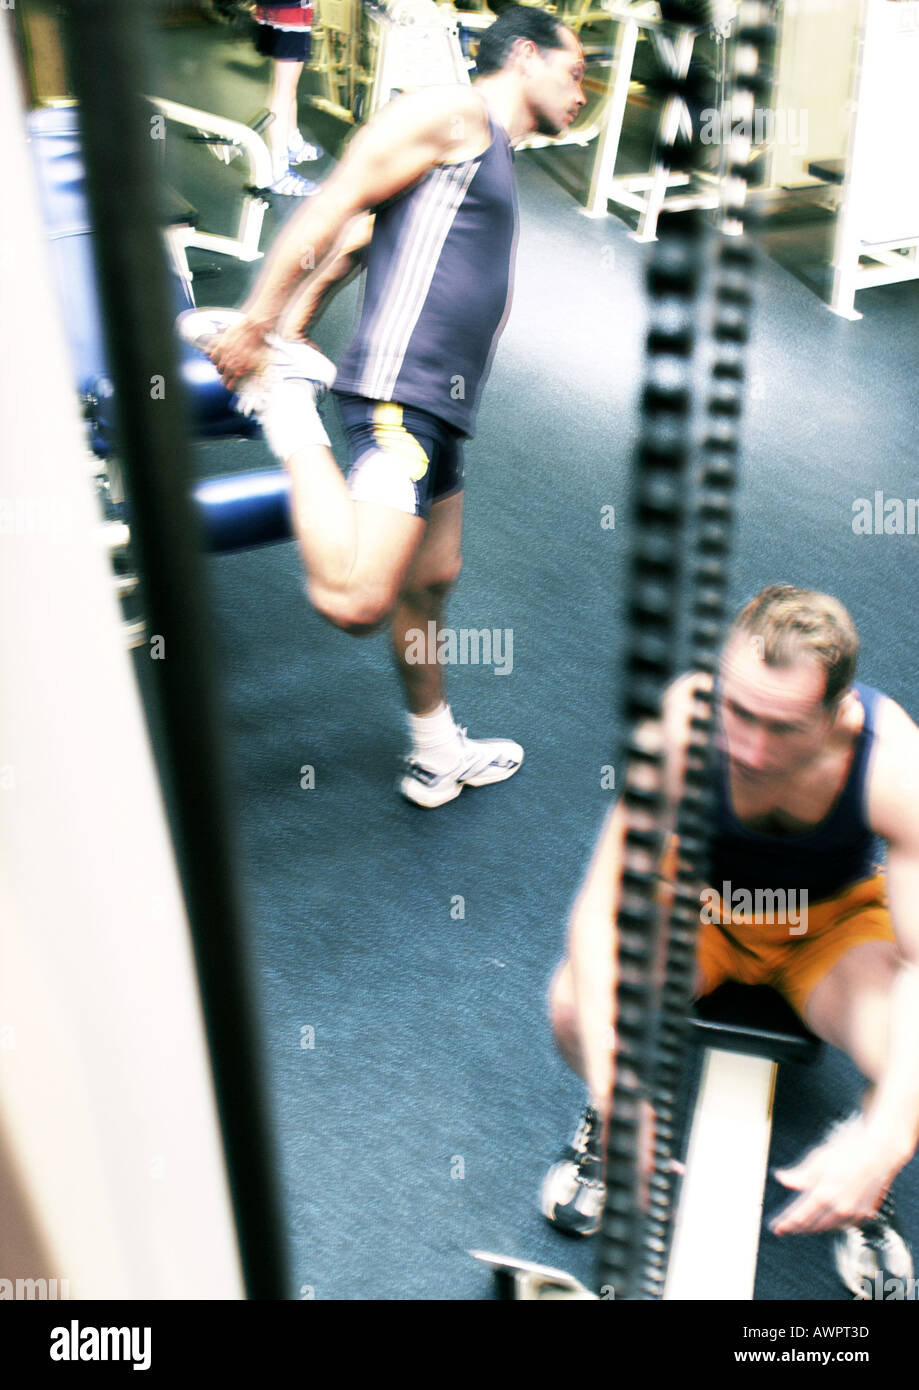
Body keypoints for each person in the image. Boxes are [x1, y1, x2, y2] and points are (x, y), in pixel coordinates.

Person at [181, 6, 587, 806]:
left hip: (441, 409)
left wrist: (292, 325)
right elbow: (334, 201)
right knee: (357, 598)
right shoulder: (451, 114)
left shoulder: (486, 152)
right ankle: (286, 408)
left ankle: (436, 750)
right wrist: (261, 333)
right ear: (527, 55)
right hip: (401, 399)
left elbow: (359, 240)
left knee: (431, 578)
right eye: (575, 73)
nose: (583, 94)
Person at [542, 585, 918, 1297]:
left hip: (828, 929)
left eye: (780, 727)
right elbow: (596, 912)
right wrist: (610, 1078)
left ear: (836, 713)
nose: (746, 747)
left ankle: (864, 1186)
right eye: (736, 712)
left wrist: (887, 1138)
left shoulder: (892, 760)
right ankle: (605, 1122)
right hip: (699, 911)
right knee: (572, 1007)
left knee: (907, 1056)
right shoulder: (685, 727)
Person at [252, 1, 324, 196]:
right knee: (282, 90)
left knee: (287, 85)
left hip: (287, 9)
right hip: (288, 10)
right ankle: (278, 171)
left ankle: (292, 142)